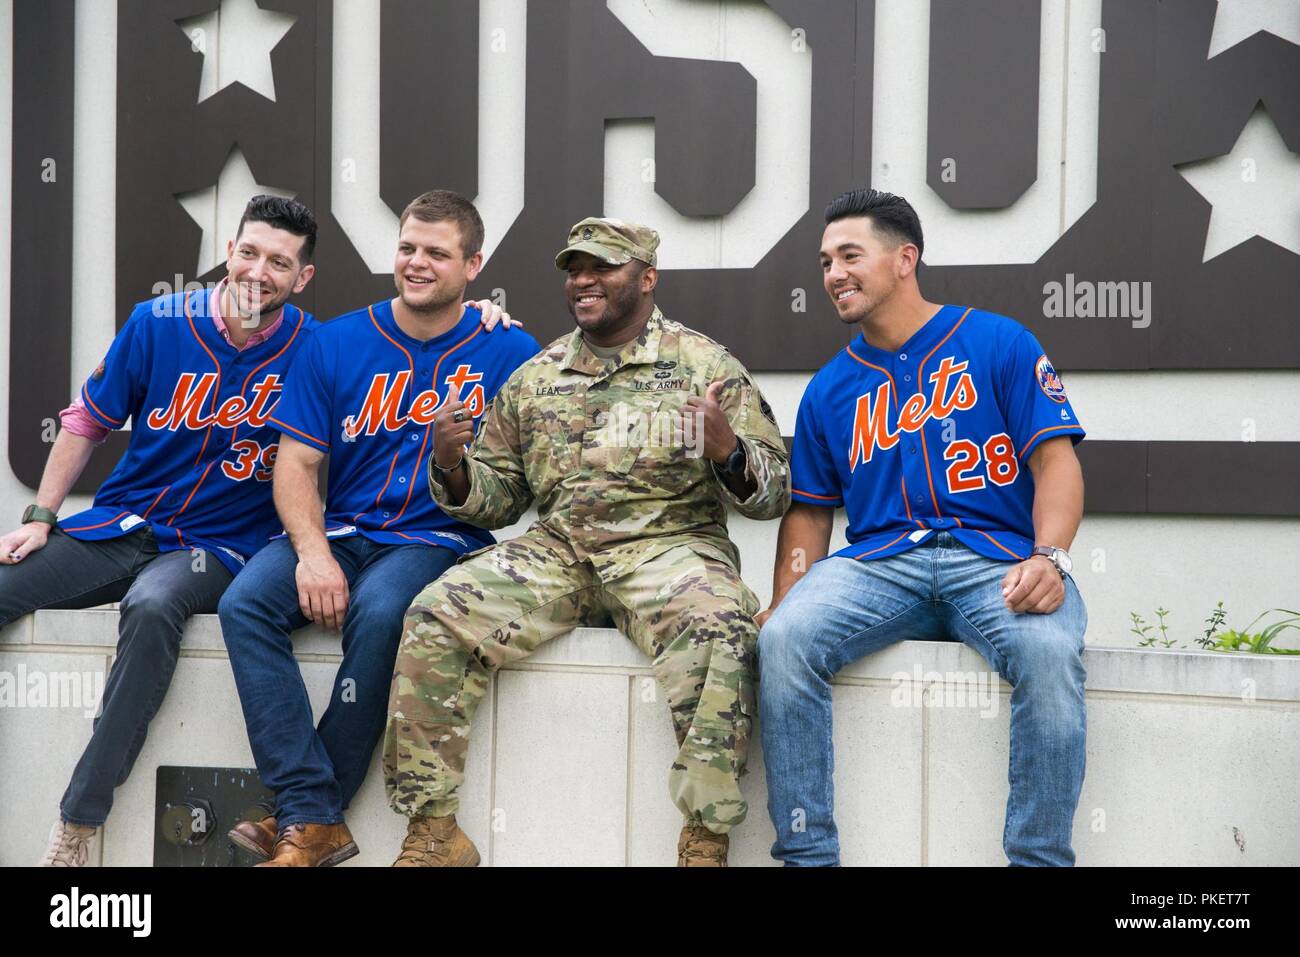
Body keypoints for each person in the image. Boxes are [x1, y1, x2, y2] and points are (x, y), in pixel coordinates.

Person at [383, 216, 790, 867]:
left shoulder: (702, 365)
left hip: (671, 549)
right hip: (559, 552)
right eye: (575, 268)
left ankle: (706, 839)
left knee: (719, 625)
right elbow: (500, 500)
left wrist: (726, 448)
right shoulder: (537, 373)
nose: (583, 280)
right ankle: (434, 833)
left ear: (646, 278)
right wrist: (454, 465)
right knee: (437, 611)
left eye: (602, 267)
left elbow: (772, 493)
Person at [757, 188, 1088, 866]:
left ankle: (1037, 859)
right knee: (785, 639)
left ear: (906, 258)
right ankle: (807, 855)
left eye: (851, 255)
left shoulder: (997, 340)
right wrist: (787, 597)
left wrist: (1051, 556)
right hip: (879, 566)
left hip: (996, 560)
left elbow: (1056, 462)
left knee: (1051, 655)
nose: (833, 274)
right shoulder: (829, 388)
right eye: (824, 262)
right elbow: (811, 511)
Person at [218, 190, 538, 867]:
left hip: (435, 538)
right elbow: (296, 466)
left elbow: (522, 483)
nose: (417, 262)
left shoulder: (508, 348)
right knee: (244, 602)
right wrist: (310, 552)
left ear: (473, 265)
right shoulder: (337, 341)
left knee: (384, 608)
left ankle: (302, 817)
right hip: (343, 531)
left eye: (437, 253)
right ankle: (312, 809)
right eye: (407, 247)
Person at [0, 196, 318, 866]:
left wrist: (484, 313)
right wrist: (40, 516)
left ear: (302, 277)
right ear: (230, 249)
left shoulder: (316, 347)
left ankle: (78, 820)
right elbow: (86, 420)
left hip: (220, 544)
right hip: (127, 522)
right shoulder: (157, 321)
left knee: (151, 606)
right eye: (250, 252)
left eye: (280, 262)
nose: (260, 270)